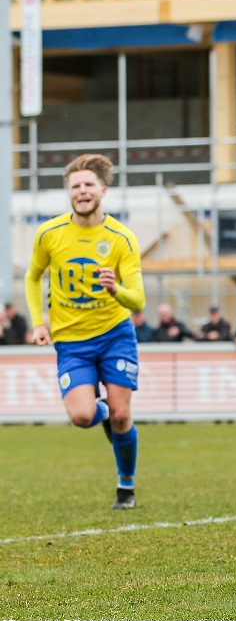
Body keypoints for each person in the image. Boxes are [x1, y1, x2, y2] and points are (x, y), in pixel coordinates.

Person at [24, 153, 144, 510]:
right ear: (69, 192)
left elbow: (138, 301)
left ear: (102, 190)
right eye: (75, 186)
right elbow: (32, 277)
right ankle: (102, 410)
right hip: (71, 342)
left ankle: (126, 487)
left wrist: (116, 290)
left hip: (115, 334)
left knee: (123, 416)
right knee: (81, 416)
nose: (82, 191)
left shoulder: (121, 238)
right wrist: (37, 322)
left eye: (88, 184)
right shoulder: (49, 233)